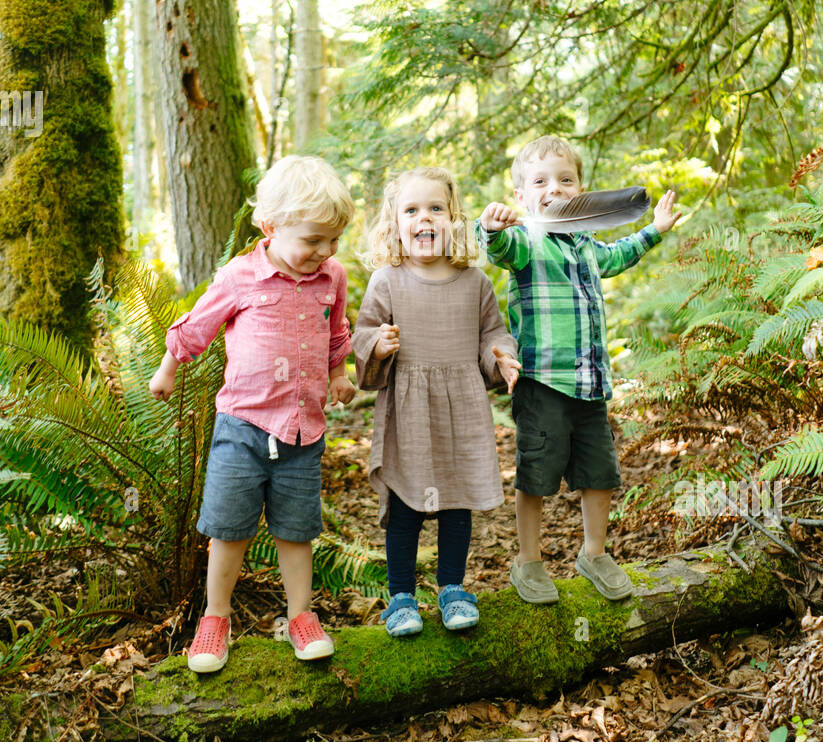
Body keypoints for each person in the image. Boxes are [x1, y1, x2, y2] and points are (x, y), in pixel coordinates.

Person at [148, 155, 355, 671]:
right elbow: (197, 323)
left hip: (303, 432)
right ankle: (215, 619)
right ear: (271, 227)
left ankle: (301, 616)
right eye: (312, 240)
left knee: (296, 530)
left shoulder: (332, 277)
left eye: (333, 240)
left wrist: (338, 374)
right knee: (230, 528)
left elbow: (336, 335)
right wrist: (169, 367)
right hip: (242, 428)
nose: (324, 252)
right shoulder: (241, 276)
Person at [476, 135, 681, 604]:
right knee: (537, 474)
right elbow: (497, 247)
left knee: (599, 472)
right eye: (540, 181)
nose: (554, 188)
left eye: (565, 179)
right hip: (543, 383)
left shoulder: (587, 244)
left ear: (582, 190)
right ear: (521, 196)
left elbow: (618, 255)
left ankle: (594, 553)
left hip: (590, 384)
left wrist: (656, 230)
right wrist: (491, 227)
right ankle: (528, 561)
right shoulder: (525, 241)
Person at [352, 167, 520, 636]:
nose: (424, 218)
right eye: (411, 210)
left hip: (460, 407)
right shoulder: (387, 281)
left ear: (453, 218)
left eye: (435, 209)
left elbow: (492, 333)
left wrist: (502, 357)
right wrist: (378, 345)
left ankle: (452, 589)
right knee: (406, 506)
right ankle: (401, 597)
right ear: (395, 223)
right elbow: (362, 336)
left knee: (455, 501)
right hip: (408, 411)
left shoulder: (474, 282)